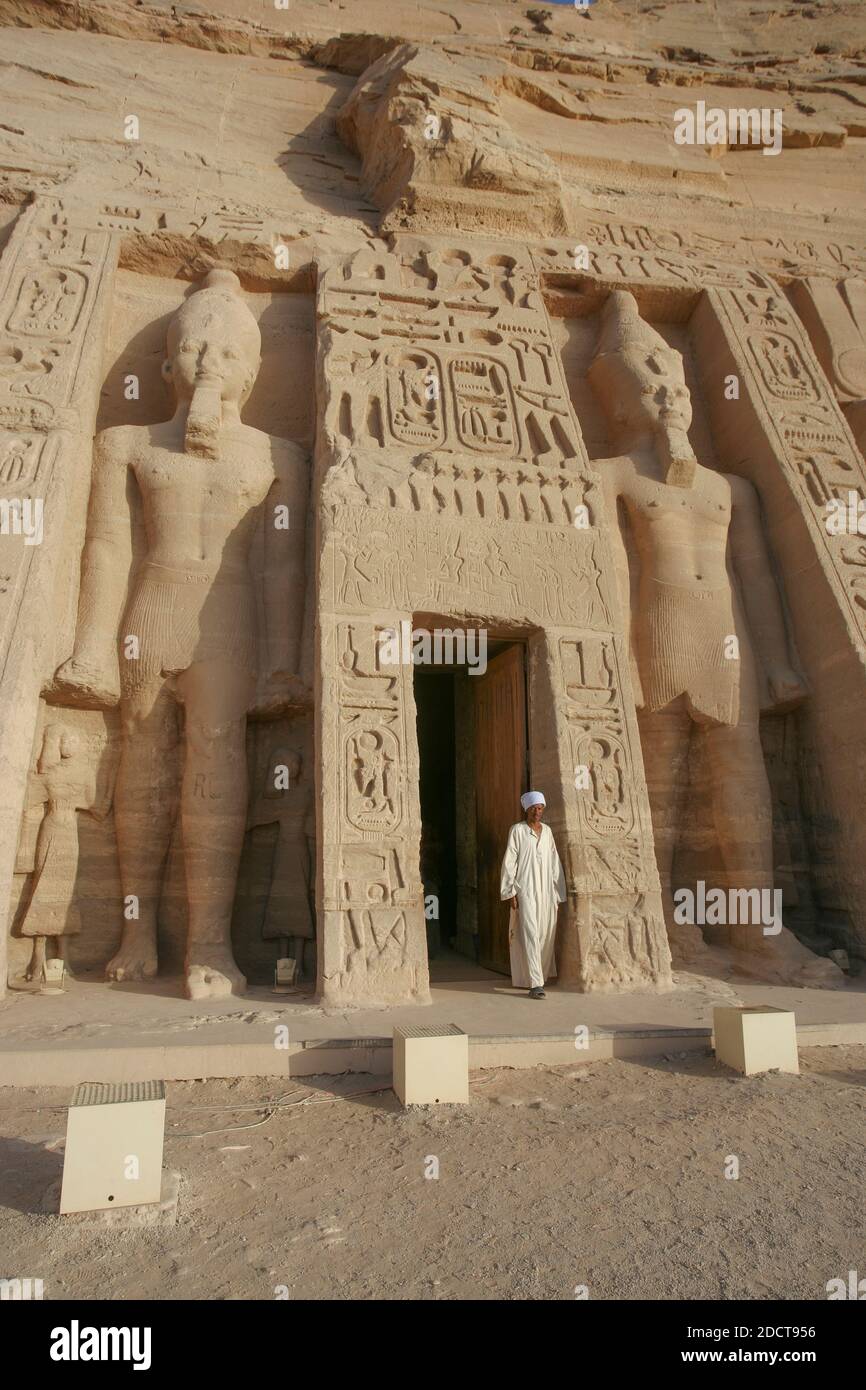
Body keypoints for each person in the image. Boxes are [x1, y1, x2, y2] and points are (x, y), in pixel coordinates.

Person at [500, 791, 566, 999]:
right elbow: (510, 861)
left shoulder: (547, 832)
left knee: (546, 934)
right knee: (529, 933)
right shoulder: (517, 831)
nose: (537, 812)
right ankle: (536, 984)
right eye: (533, 808)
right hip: (525, 889)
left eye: (540, 808)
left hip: (547, 891)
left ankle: (538, 978)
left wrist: (558, 892)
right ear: (526, 810)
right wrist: (510, 890)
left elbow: (555, 862)